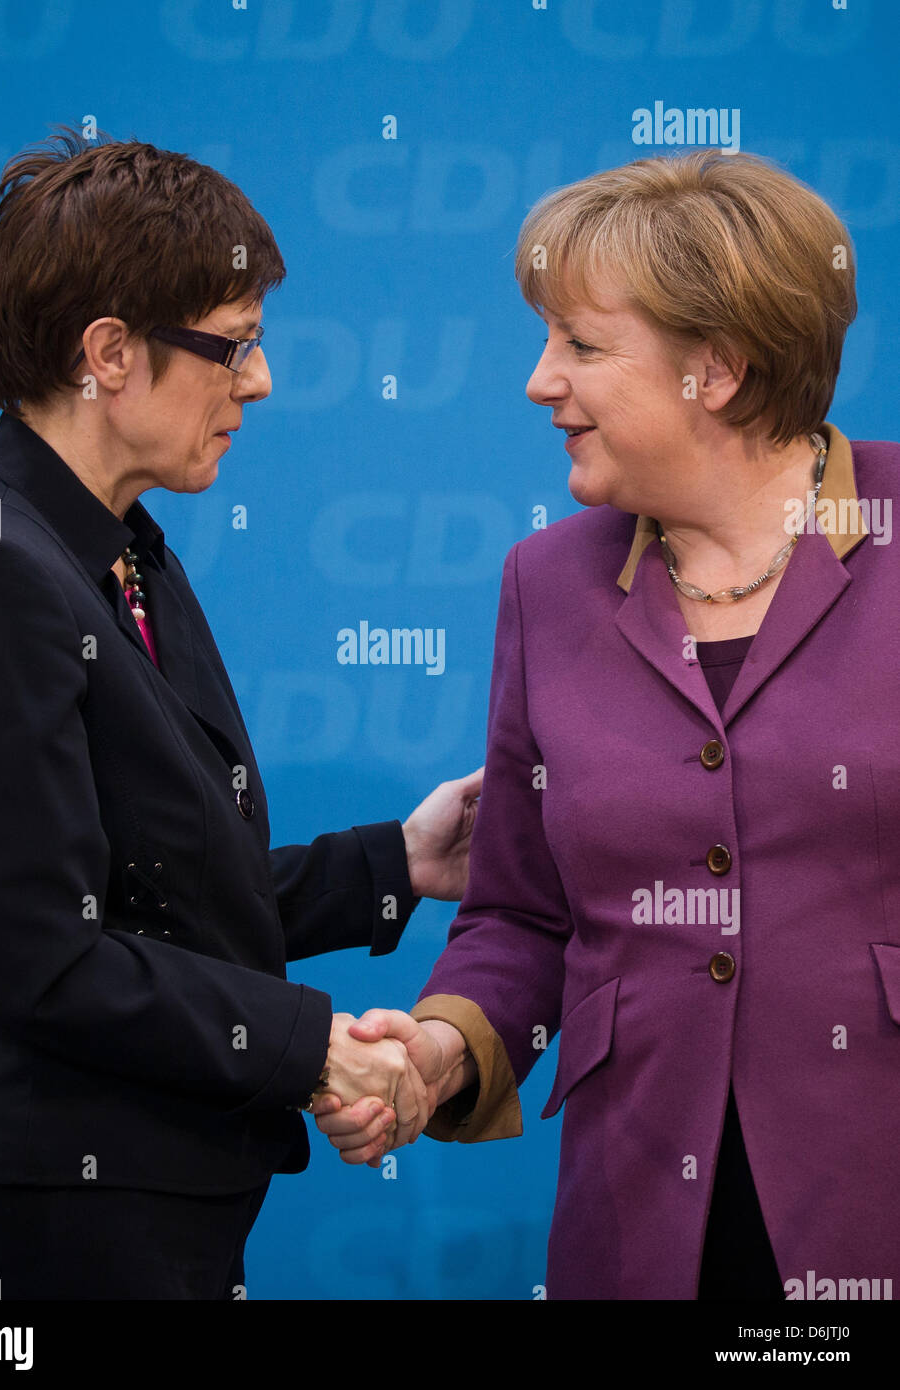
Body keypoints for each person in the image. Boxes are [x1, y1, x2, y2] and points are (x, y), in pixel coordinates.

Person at [0, 126, 482, 1300]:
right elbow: (38, 957)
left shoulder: (118, 550)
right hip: (51, 1240)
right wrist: (307, 1044)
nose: (257, 382)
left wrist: (397, 861)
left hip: (151, 1218)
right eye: (234, 347)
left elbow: (158, 900)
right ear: (108, 352)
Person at [314, 149, 900, 1301]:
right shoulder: (547, 583)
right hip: (643, 1231)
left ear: (716, 369)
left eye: (580, 346)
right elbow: (525, 915)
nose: (540, 382)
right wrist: (438, 1051)